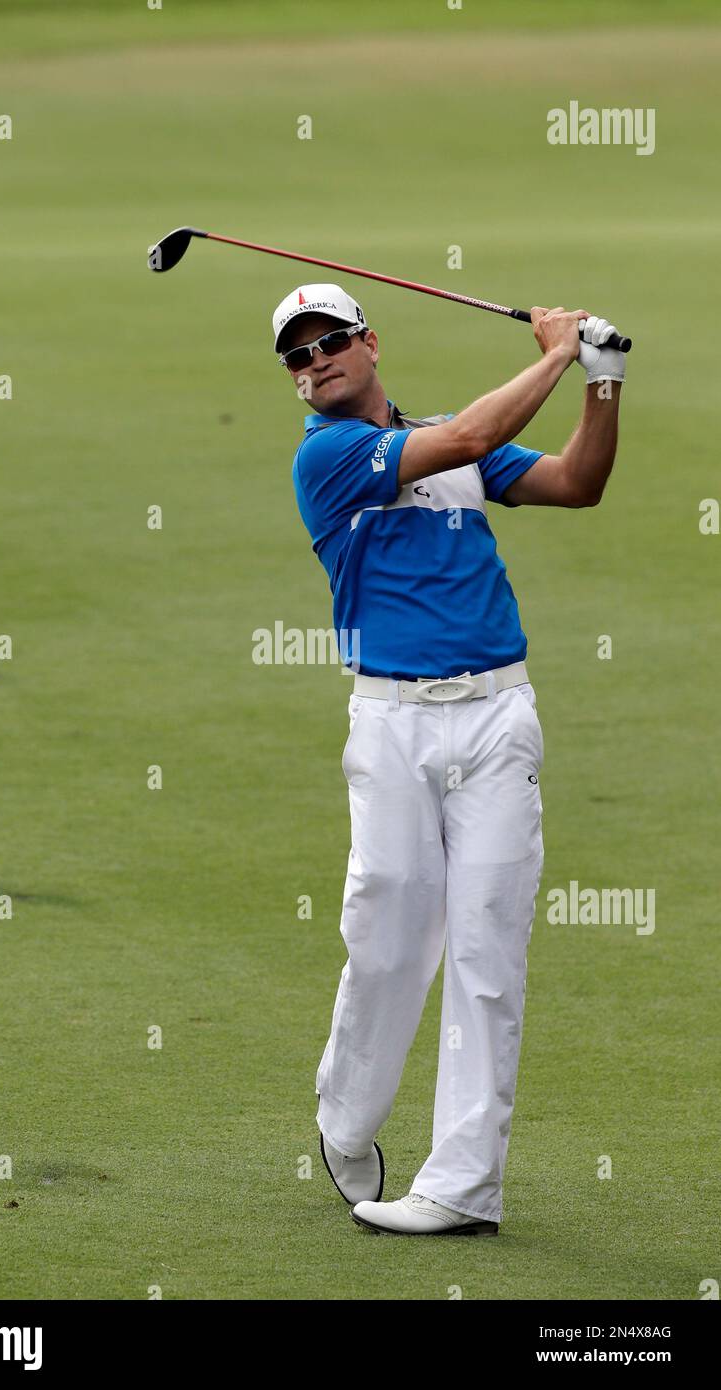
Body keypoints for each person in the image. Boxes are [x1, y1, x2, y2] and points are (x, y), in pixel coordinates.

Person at [274, 283, 625, 1235]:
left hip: (497, 718)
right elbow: (467, 440)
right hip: (391, 726)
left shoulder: (446, 436)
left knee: (487, 951)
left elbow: (576, 483)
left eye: (331, 342)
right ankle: (345, 1119)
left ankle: (462, 1187)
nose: (317, 363)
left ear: (368, 341)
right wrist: (554, 351)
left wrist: (603, 381)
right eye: (298, 357)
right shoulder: (333, 457)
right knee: (387, 933)